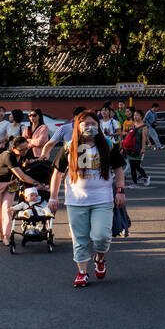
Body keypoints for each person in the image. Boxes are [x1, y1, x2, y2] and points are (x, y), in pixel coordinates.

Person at [47, 111, 126, 288]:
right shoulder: (69, 147)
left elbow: (119, 170)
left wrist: (120, 191)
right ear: (77, 127)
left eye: (93, 123)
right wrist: (53, 197)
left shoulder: (107, 145)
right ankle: (82, 272)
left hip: (102, 199)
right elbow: (57, 174)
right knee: (79, 238)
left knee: (102, 236)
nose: (89, 127)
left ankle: (99, 258)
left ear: (98, 125)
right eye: (85, 124)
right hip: (76, 201)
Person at [0, 136, 41, 245]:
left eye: (26, 148)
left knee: (7, 209)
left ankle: (6, 236)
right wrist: (37, 183)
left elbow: (30, 163)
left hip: (11, 184)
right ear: (13, 148)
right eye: (21, 150)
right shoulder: (8, 156)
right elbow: (21, 176)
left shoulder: (24, 154)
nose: (25, 152)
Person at [124, 108, 151, 186]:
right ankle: (135, 183)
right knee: (132, 166)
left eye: (137, 115)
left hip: (138, 149)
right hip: (131, 148)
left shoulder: (144, 127)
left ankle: (145, 176)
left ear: (141, 116)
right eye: (134, 115)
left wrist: (143, 148)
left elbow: (144, 138)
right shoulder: (133, 125)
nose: (135, 117)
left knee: (137, 166)